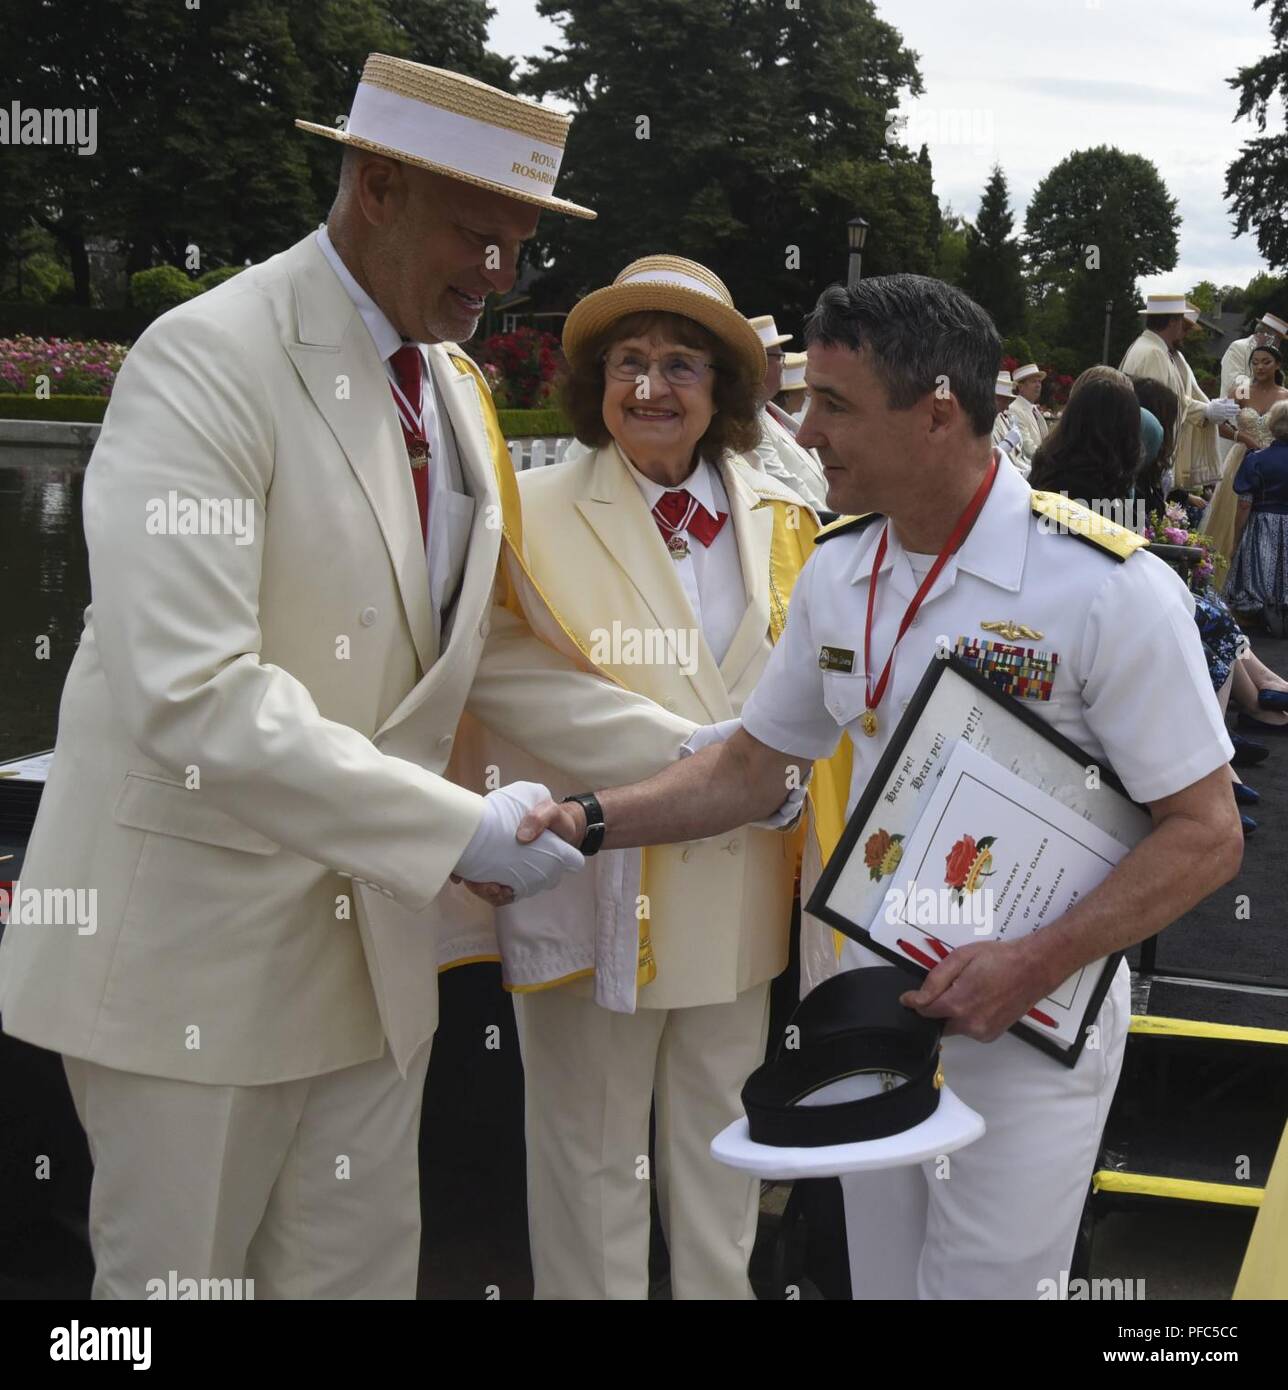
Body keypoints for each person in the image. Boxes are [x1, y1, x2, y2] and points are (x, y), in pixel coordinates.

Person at [0, 56, 705, 1300]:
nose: (501, 278)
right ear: (375, 187)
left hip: (372, 969)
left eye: (522, 249)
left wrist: (708, 747)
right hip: (189, 969)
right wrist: (461, 830)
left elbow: (469, 654)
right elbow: (193, 696)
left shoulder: (452, 382)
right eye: (479, 239)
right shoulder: (205, 358)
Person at [519, 274, 1244, 1300]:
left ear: (937, 409)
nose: (802, 432)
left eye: (835, 405)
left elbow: (1207, 834)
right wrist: (585, 821)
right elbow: (745, 768)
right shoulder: (838, 567)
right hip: (873, 1014)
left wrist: (1032, 962)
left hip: (1029, 1022)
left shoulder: (1105, 589)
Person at [450, 256, 841, 1300]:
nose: (648, 388)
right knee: (588, 1169)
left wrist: (770, 775)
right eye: (627, 361)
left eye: (678, 364)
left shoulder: (785, 520)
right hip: (595, 885)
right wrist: (701, 759)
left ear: (721, 391)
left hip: (738, 890)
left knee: (723, 1164)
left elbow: (814, 691)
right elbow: (491, 665)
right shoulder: (524, 510)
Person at [1032, 367, 1277, 832]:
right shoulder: (1117, 472)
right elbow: (1122, 539)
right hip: (1108, 588)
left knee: (1202, 611)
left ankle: (1222, 751)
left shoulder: (1047, 462)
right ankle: (1212, 760)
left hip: (1070, 584)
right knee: (1203, 617)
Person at [1120, 293, 1235, 490]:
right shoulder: (1153, 353)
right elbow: (1159, 405)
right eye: (1184, 324)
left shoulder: (1154, 349)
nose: (1185, 332)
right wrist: (1205, 411)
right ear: (1173, 321)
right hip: (1147, 454)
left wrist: (1205, 410)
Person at [1205, 343, 1288, 586]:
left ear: (1277, 365)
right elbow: (1220, 423)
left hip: (1275, 464)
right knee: (1232, 516)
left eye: (1266, 362)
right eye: (1255, 362)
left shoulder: (1285, 395)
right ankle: (1221, 578)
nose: (1260, 367)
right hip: (1242, 459)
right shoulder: (1242, 392)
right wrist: (1244, 438)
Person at [746, 313, 829, 507]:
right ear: (761, 363)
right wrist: (829, 519)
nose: (783, 364)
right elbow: (779, 479)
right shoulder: (748, 420)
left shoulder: (767, 411)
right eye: (778, 356)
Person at [1227, 399, 1288, 637]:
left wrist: (1235, 539)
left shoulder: (1256, 459)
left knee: (1261, 563)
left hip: (1263, 521)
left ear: (1272, 426)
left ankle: (1265, 605)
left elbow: (1244, 504)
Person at [1220, 311, 1288, 399]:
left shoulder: (1272, 355)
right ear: (1266, 335)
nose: (1278, 345)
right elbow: (1232, 383)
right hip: (1232, 408)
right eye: (1277, 339)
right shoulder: (1237, 347)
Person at [990, 370, 1030, 476]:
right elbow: (984, 462)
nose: (1007, 407)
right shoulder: (980, 423)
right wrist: (1007, 443)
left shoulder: (1002, 419)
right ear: (995, 399)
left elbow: (1016, 458)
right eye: (1005, 401)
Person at [1010, 362, 1049, 458]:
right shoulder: (1014, 409)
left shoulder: (1034, 409)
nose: (1038, 385)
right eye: (1033, 381)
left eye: (1039, 381)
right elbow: (1027, 447)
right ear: (1020, 387)